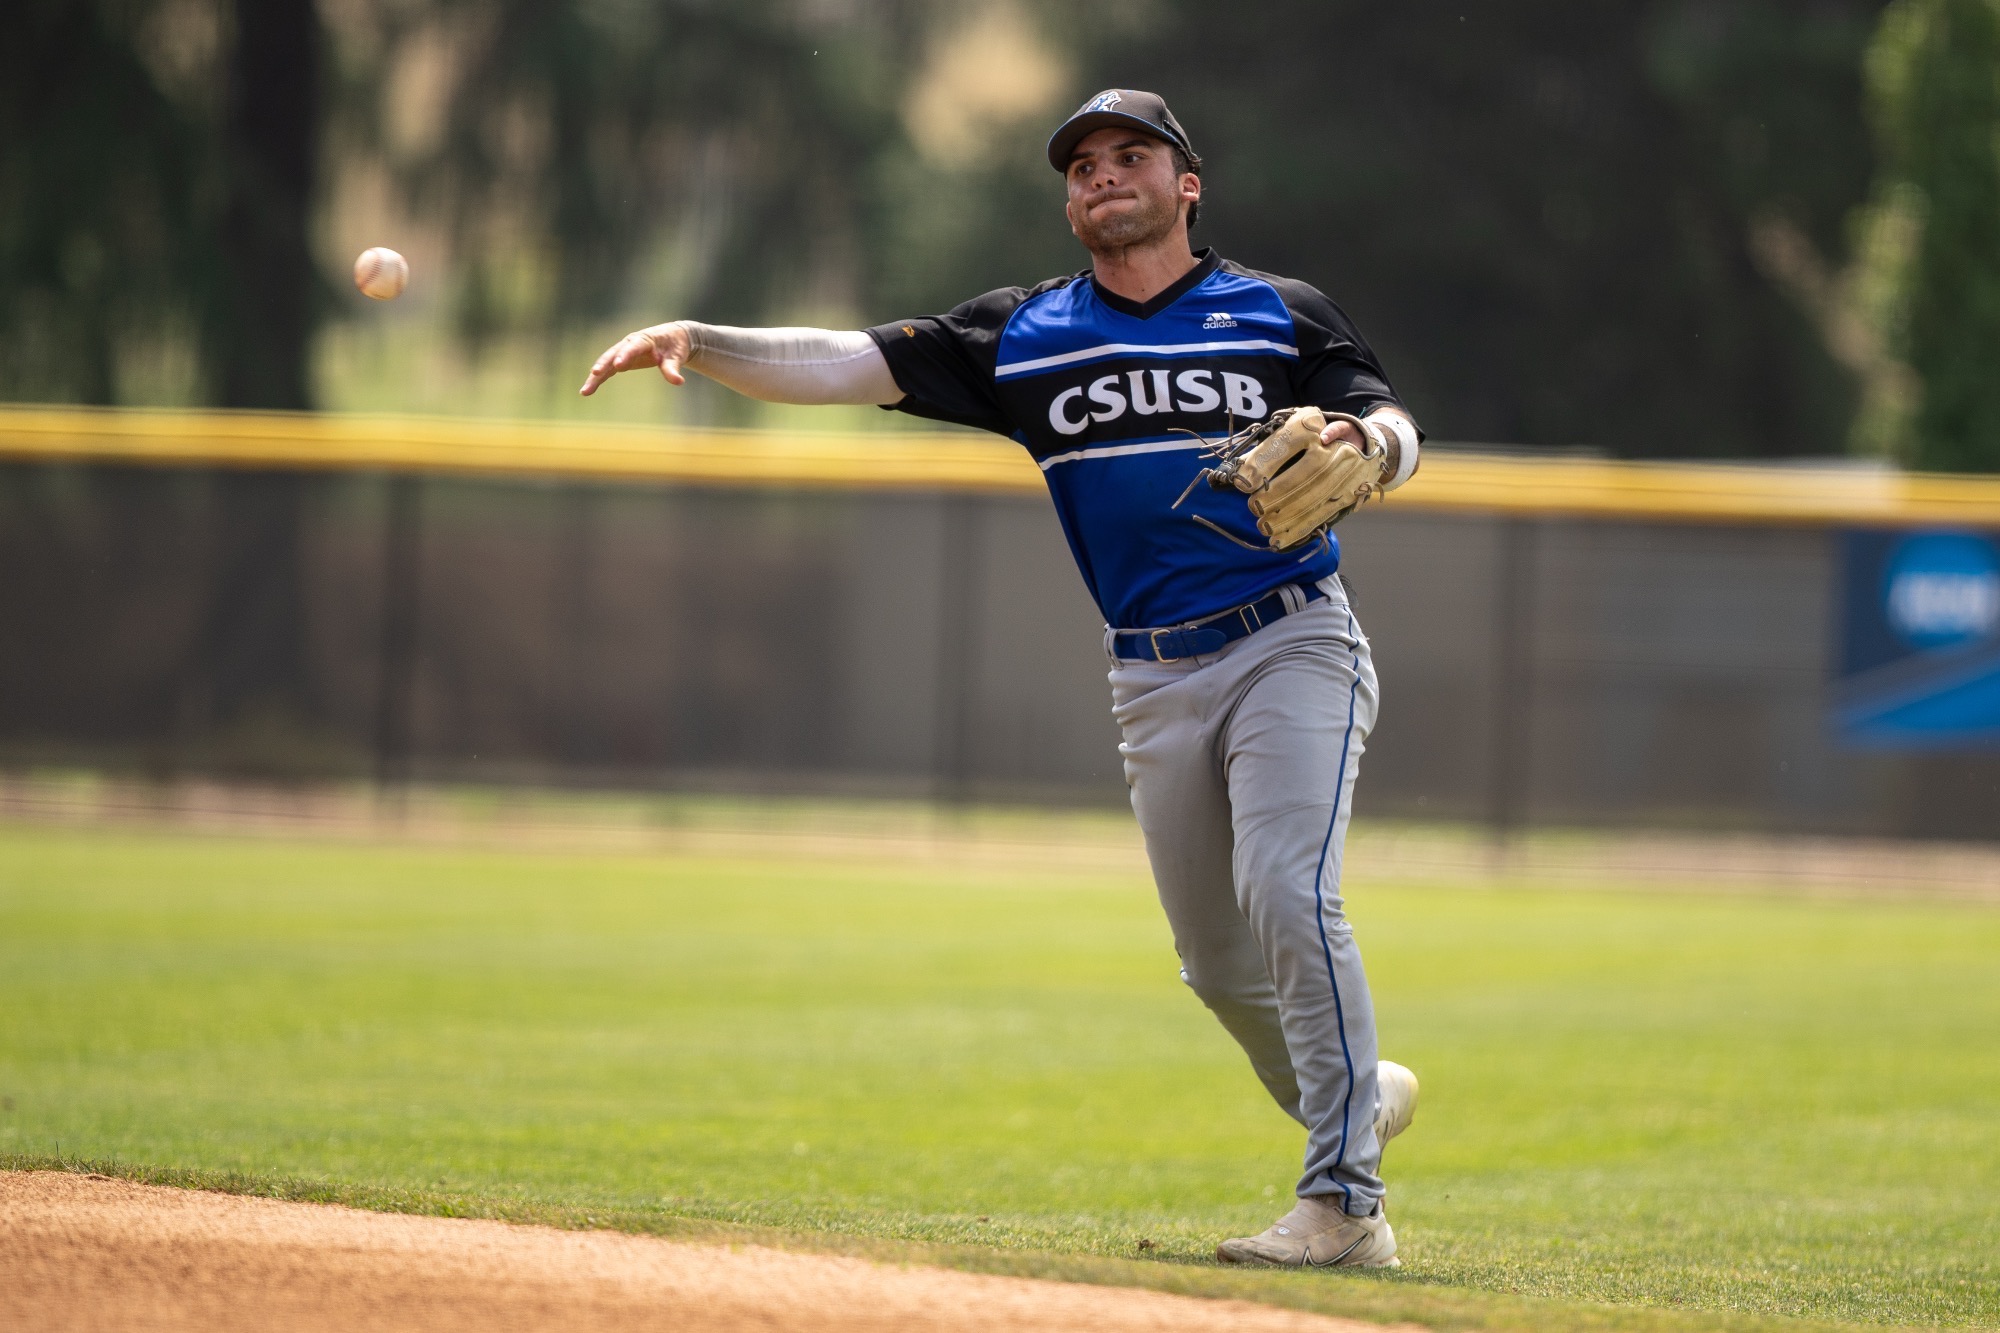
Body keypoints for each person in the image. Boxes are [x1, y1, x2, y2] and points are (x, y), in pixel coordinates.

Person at [580, 88, 1423, 1269]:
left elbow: (1386, 418)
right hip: (1151, 679)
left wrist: (1369, 447)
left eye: (1131, 156)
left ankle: (1343, 1204)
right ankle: (1357, 1098)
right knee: (1216, 964)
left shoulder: (1274, 312)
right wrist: (701, 343)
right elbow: (846, 363)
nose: (1101, 176)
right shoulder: (1024, 333)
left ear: (1187, 185)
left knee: (1286, 893)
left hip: (1291, 640)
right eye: (1080, 165)